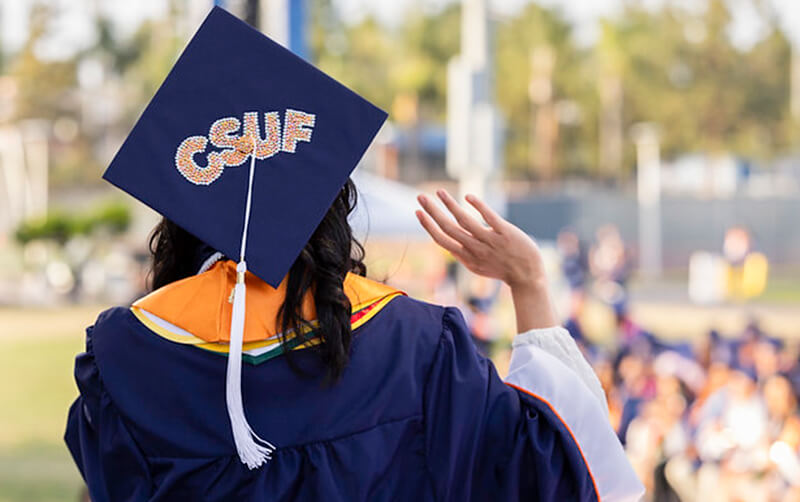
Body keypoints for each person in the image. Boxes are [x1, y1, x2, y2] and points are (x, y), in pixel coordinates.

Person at [64, 7, 643, 501]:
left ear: (183, 212)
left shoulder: (124, 355)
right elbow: (553, 473)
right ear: (332, 209)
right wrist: (529, 283)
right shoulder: (418, 347)